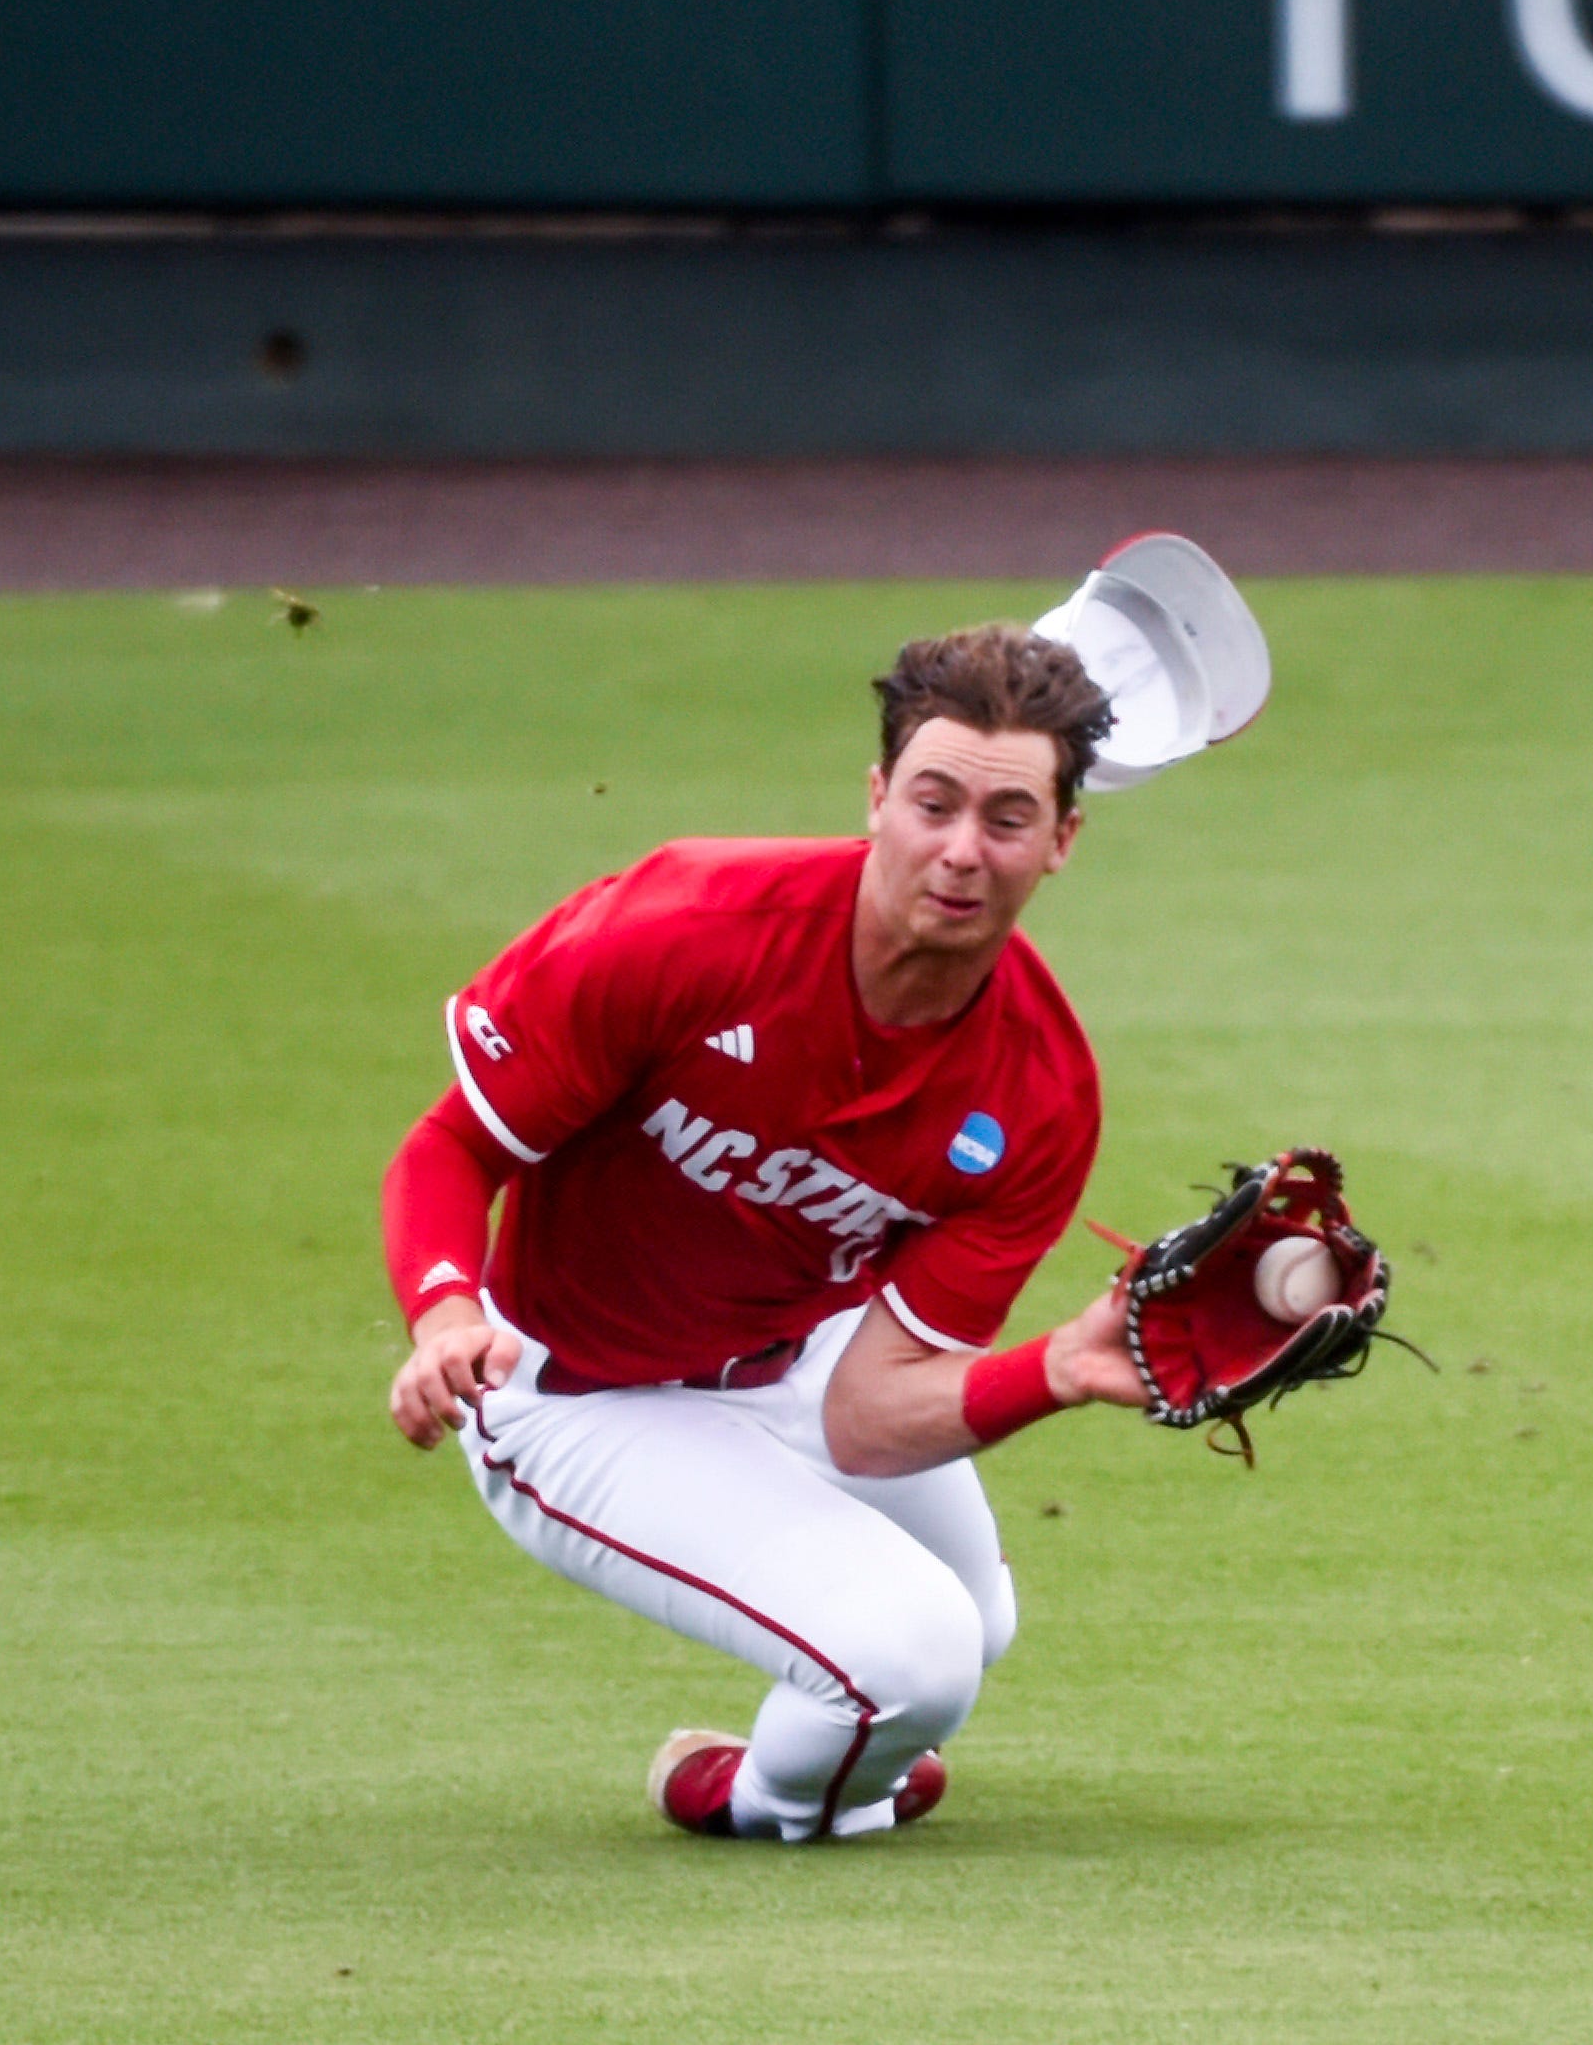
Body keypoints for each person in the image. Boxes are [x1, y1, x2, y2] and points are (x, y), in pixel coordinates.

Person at [377, 623, 1153, 1842]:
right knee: (916, 1661)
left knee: (977, 1621)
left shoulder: (1042, 1088)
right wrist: (443, 1311)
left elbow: (868, 1414)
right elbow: (450, 1146)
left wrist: (1057, 1367)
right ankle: (759, 1791)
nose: (961, 850)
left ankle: (848, 1755)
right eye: (934, 803)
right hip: (579, 1393)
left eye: (1007, 818)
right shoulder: (683, 926)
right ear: (877, 796)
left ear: (1062, 839)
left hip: (801, 1351)